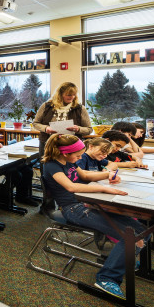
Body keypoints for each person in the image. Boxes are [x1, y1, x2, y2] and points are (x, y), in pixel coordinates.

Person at [41, 134, 148, 299]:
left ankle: (122, 259)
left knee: (141, 230)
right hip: (73, 208)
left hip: (88, 202)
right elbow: (70, 187)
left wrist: (107, 175)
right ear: (64, 153)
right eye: (77, 155)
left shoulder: (69, 162)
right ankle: (106, 278)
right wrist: (104, 189)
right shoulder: (51, 166)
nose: (79, 158)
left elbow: (84, 175)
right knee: (130, 237)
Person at [32, 82, 92, 213]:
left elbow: (89, 129)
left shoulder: (79, 108)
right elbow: (35, 123)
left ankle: (68, 202)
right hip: (48, 144)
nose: (71, 97)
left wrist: (78, 129)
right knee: (47, 174)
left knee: (69, 173)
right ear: (60, 94)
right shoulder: (47, 106)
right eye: (68, 95)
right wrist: (46, 128)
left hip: (71, 147)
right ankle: (47, 205)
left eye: (74, 95)